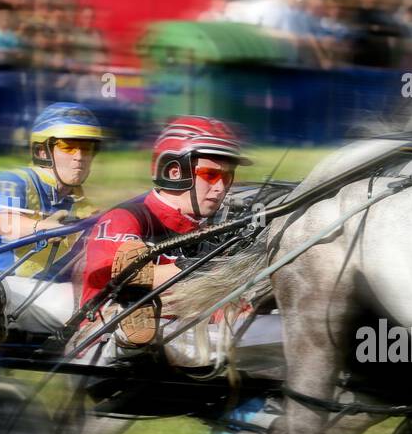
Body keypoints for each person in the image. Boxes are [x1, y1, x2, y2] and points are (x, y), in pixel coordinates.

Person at [73, 114, 279, 373]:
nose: (221, 188)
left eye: (228, 177)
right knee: (289, 334)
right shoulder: (125, 218)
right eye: (211, 175)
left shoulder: (206, 227)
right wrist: (199, 267)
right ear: (174, 171)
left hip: (178, 334)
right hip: (101, 343)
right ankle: (133, 332)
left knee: (278, 325)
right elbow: (115, 276)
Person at [0, 102, 101, 349]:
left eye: (86, 148)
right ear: (42, 151)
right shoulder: (12, 181)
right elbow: (3, 223)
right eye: (68, 146)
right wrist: (42, 227)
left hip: (38, 294)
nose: (79, 157)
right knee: (90, 307)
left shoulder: (82, 203)